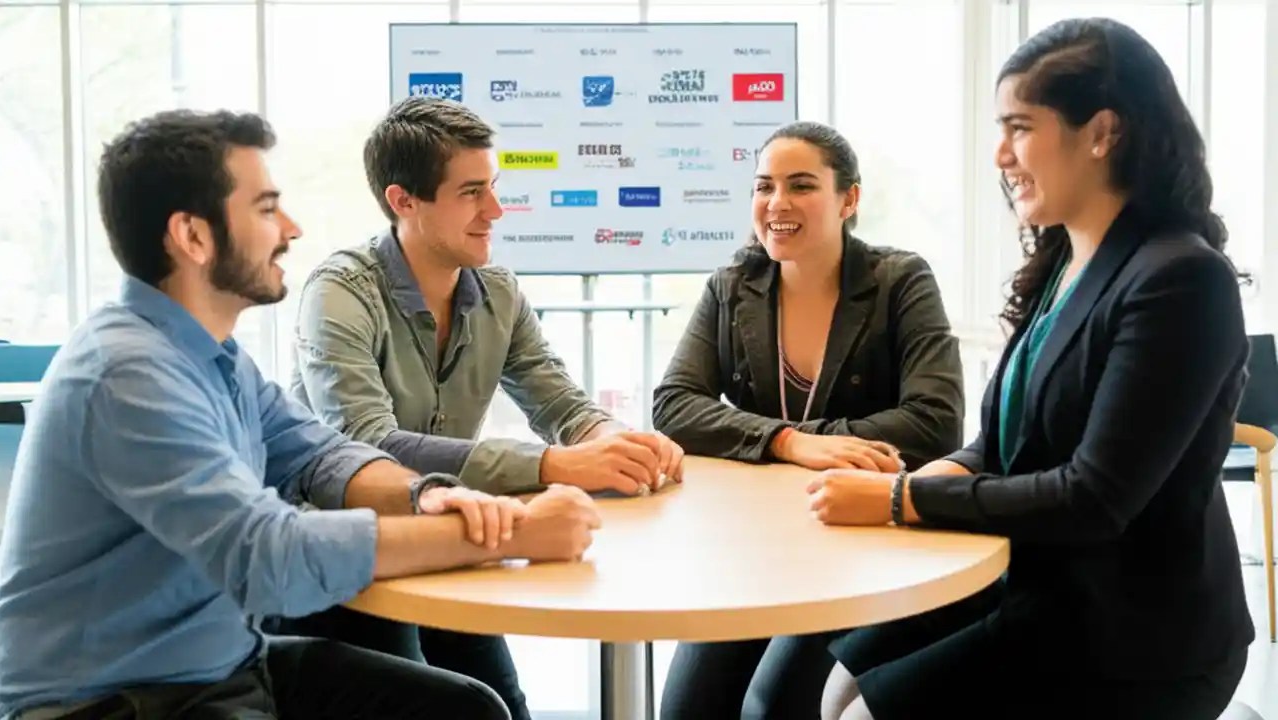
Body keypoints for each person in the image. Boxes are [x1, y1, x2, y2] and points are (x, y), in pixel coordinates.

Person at [0, 108, 602, 720]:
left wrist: (426, 495)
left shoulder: (214, 355)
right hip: (115, 699)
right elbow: (267, 557)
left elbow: (319, 453)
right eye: (265, 209)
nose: (290, 228)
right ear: (194, 237)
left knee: (469, 708)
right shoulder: (125, 374)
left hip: (222, 663)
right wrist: (512, 533)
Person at [812, 18, 1254, 720]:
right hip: (1041, 588)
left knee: (858, 711)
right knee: (832, 685)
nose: (999, 154)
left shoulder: (1180, 279)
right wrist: (906, 486)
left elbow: (1094, 498)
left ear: (1102, 132)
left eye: (1019, 127)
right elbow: (1000, 445)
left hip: (1132, 636)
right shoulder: (1063, 262)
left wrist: (900, 502)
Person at [281, 96, 683, 719]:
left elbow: (561, 403)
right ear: (403, 201)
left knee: (505, 707)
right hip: (348, 560)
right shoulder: (338, 292)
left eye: (493, 187)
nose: (495, 210)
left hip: (454, 533)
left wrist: (616, 440)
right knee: (454, 706)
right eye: (471, 193)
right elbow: (366, 448)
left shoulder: (498, 289)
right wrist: (554, 467)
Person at [651, 121, 969, 719]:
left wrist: (805, 443)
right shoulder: (732, 287)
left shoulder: (899, 281)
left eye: (801, 186)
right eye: (763, 186)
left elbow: (934, 422)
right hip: (754, 544)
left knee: (770, 708)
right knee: (688, 710)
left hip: (861, 543)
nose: (777, 204)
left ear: (849, 199)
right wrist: (789, 442)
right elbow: (673, 405)